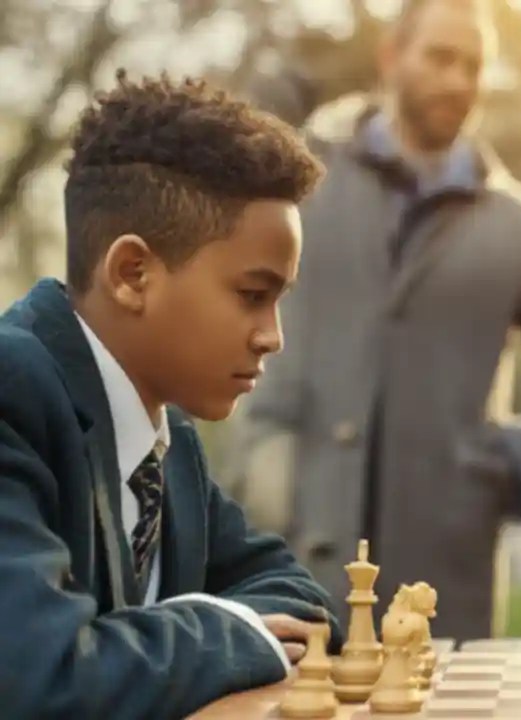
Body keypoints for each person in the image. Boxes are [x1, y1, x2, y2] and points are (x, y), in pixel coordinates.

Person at [237, 0, 521, 640]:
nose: (460, 81)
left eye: (474, 65)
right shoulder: (303, 181)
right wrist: (263, 448)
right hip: (295, 557)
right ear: (391, 58)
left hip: (445, 588)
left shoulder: (517, 228)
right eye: (441, 58)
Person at [0, 72, 341, 719]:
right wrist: (231, 629)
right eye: (252, 294)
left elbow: (305, 602)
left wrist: (162, 640)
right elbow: (38, 679)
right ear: (133, 274)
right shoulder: (12, 397)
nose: (273, 337)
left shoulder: (166, 442)